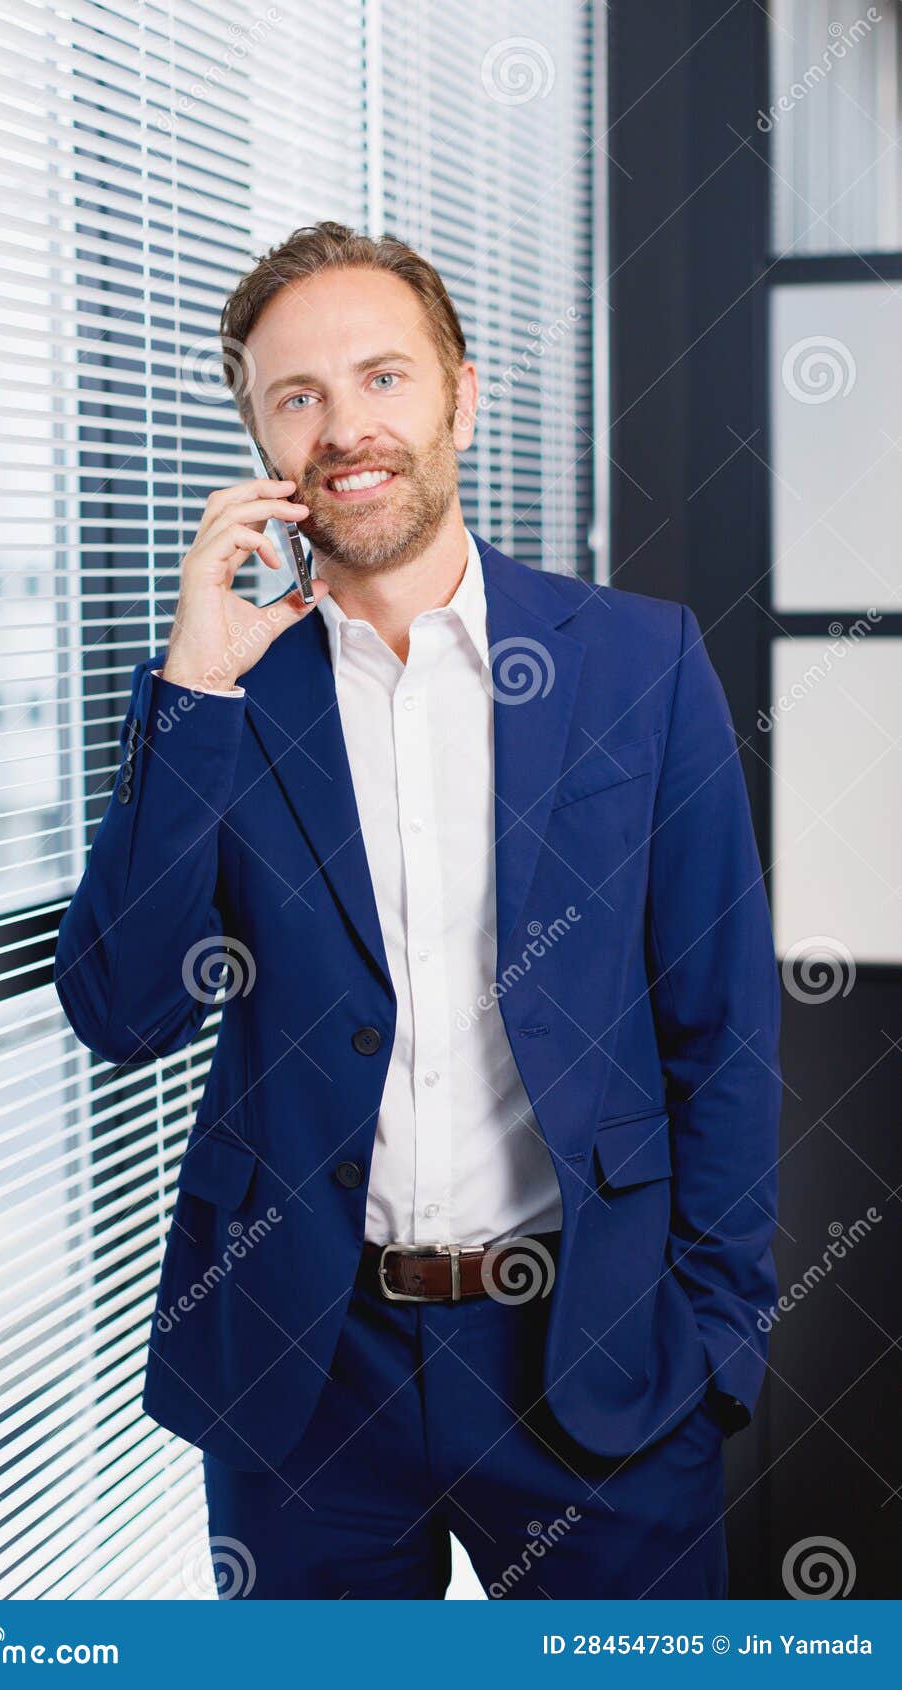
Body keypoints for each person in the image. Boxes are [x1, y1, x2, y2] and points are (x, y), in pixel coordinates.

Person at [54, 221, 781, 1599]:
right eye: (297, 396)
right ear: (262, 437)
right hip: (306, 1374)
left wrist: (718, 1334)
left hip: (600, 1360)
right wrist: (195, 680)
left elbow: (723, 1020)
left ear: (460, 393)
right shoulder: (225, 695)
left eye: (382, 377)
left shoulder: (635, 660)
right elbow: (122, 1007)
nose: (346, 427)